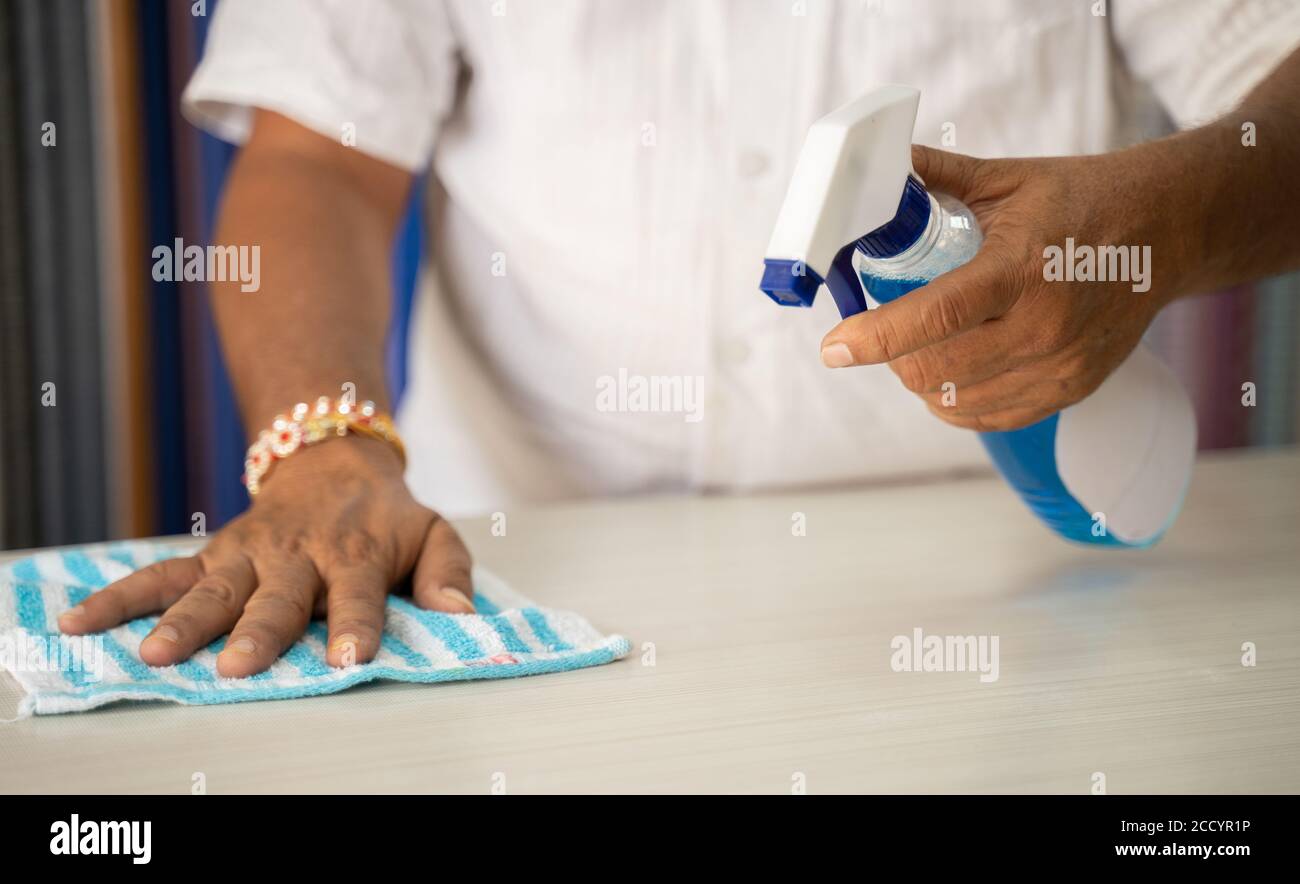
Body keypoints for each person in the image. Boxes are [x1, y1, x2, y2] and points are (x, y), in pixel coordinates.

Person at [59, 0, 1300, 676]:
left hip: (1029, 597)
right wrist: (324, 445)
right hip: (510, 574)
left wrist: (1168, 226)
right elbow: (316, 159)